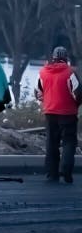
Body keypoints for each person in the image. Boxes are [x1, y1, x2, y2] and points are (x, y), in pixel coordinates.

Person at [34, 46, 82, 183]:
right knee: (68, 142)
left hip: (50, 113)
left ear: (53, 58)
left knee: (51, 143)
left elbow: (37, 93)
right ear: (66, 58)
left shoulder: (42, 72)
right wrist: (76, 105)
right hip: (68, 114)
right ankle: (66, 171)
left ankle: (51, 173)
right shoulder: (70, 73)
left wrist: (47, 101)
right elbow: (78, 94)